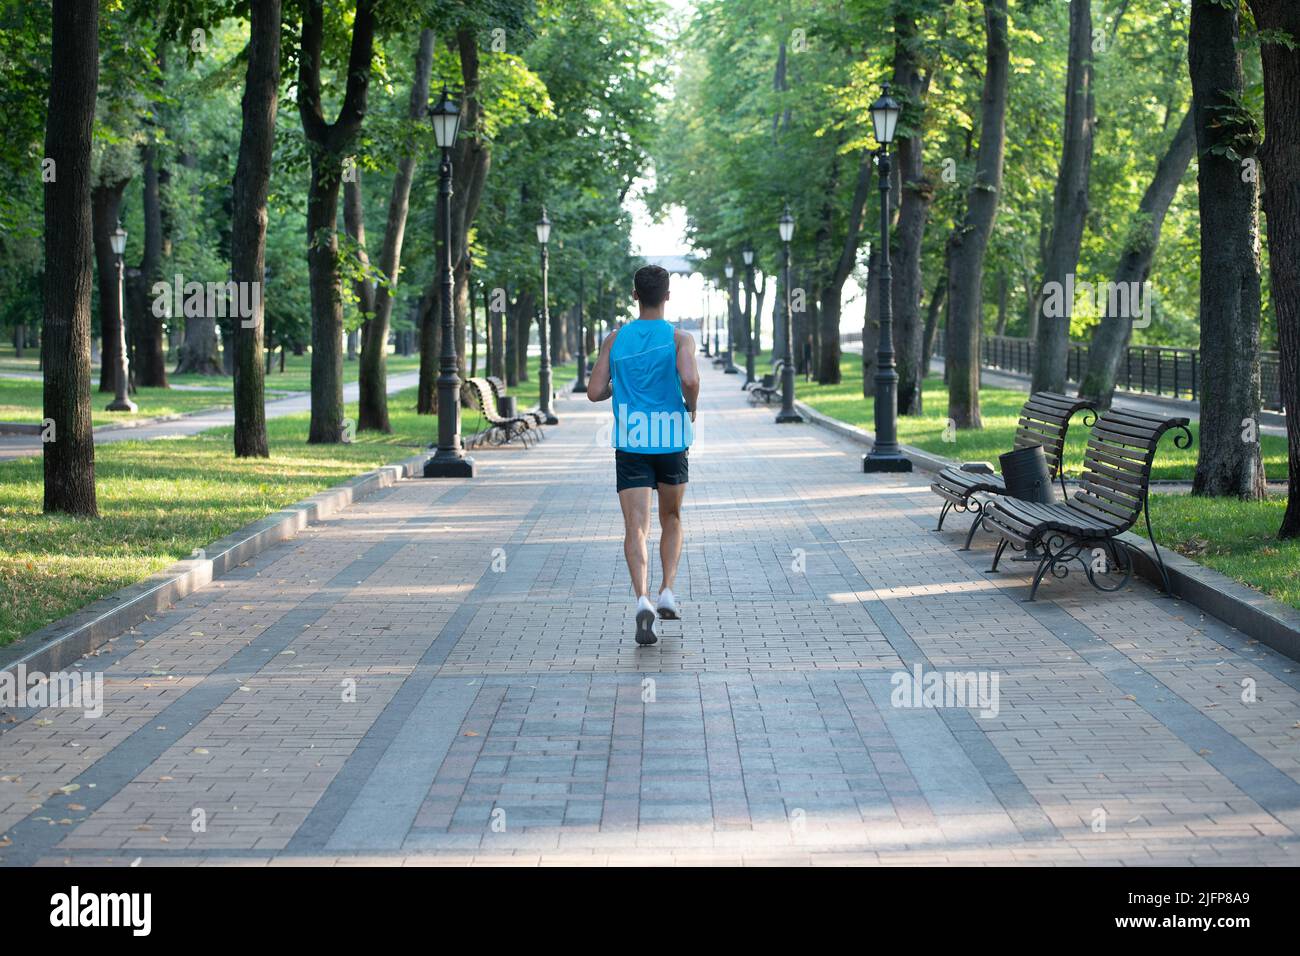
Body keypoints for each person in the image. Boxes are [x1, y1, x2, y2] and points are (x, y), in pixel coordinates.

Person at [587, 265, 699, 645]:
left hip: (631, 441)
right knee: (672, 517)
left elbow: (594, 390)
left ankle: (642, 598)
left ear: (634, 295)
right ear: (667, 296)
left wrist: (622, 387)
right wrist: (691, 407)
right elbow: (690, 379)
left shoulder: (614, 339)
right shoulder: (680, 338)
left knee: (636, 525)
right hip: (670, 439)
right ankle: (667, 588)